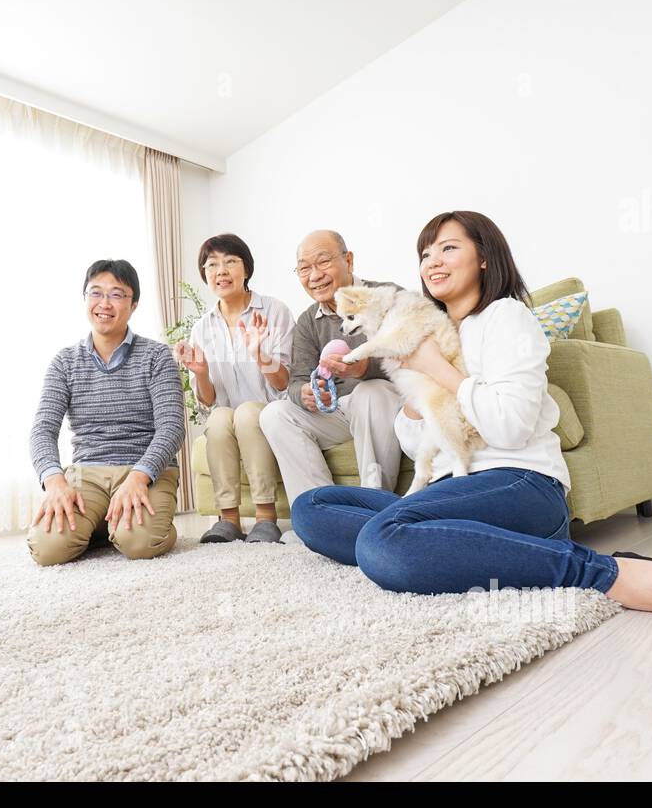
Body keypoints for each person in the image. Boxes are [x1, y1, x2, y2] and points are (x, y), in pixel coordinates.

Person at [289, 211, 652, 624]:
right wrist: (415, 391)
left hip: (520, 486)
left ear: (485, 258)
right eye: (426, 253)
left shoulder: (507, 319)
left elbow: (508, 427)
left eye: (449, 248)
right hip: (455, 488)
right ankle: (456, 542)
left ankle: (602, 572)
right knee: (312, 510)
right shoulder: (429, 332)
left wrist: (438, 369)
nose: (432, 262)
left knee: (381, 544)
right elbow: (417, 443)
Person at [27, 260, 186, 565]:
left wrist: (140, 477)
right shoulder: (65, 362)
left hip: (146, 472)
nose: (104, 303)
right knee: (47, 549)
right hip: (88, 473)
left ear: (134, 304)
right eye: (96, 293)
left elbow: (172, 428)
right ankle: (102, 520)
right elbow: (42, 430)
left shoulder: (157, 357)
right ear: (85, 299)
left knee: (140, 543)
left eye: (116, 294)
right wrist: (55, 482)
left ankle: (122, 523)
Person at [258, 229, 406, 515]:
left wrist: (367, 368)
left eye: (323, 262)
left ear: (348, 260)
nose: (314, 275)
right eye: (304, 268)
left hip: (386, 403)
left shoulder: (387, 297)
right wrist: (303, 394)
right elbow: (297, 379)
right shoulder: (308, 321)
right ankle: (320, 513)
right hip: (338, 410)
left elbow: (413, 353)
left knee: (370, 390)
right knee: (274, 413)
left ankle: (373, 507)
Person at [174, 234, 294, 544]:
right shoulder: (203, 327)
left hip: (268, 413)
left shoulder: (274, 310)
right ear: (205, 275)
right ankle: (228, 519)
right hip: (227, 418)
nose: (221, 270)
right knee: (217, 419)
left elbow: (284, 382)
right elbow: (208, 400)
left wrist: (259, 354)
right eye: (212, 265)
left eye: (230, 262)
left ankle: (266, 517)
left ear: (246, 269)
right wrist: (199, 373)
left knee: (247, 413)